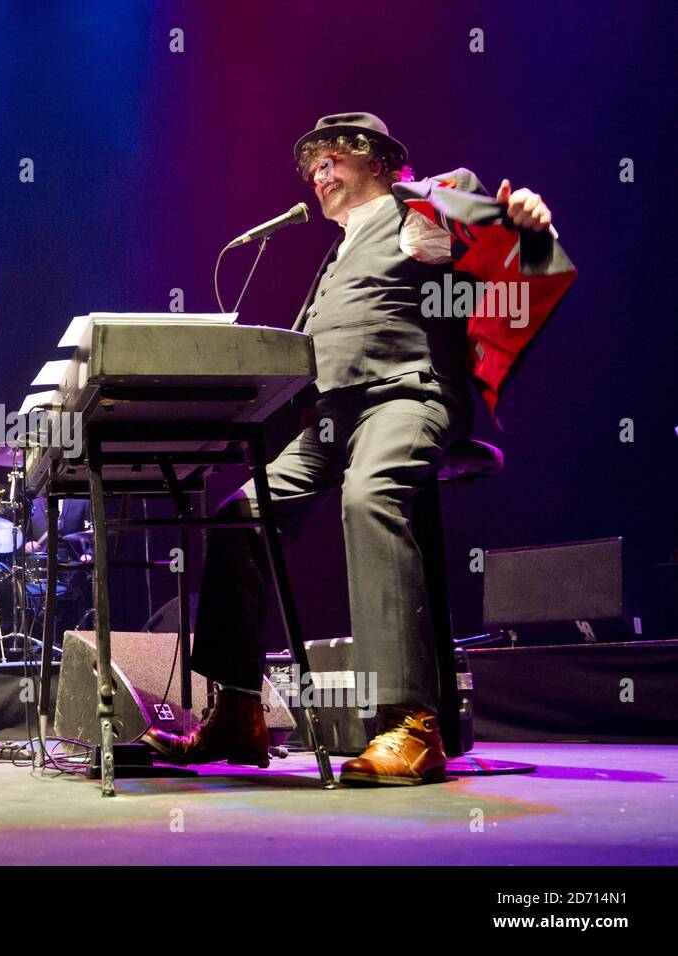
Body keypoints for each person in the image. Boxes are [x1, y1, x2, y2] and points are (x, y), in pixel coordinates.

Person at [144, 113, 556, 785]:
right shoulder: (336, 250)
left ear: (380, 161)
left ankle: (409, 725)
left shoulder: (426, 199)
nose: (319, 172)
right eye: (312, 164)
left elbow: (506, 237)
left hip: (407, 393)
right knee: (237, 517)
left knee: (371, 498)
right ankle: (239, 711)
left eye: (334, 157)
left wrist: (529, 222)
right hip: (330, 416)